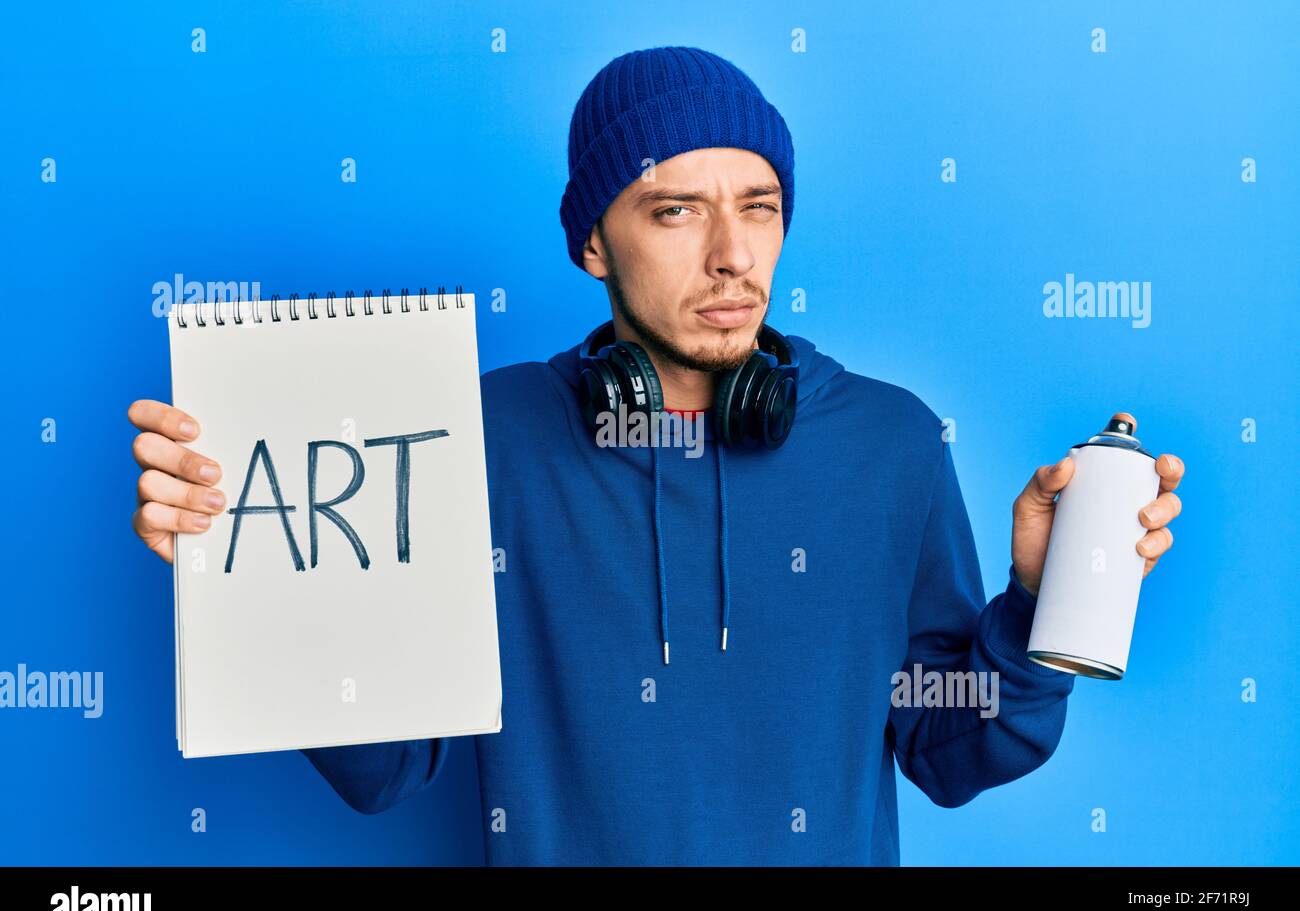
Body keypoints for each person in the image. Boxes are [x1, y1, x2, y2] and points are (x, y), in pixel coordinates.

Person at [128, 45, 1184, 865]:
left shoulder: (891, 443)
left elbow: (950, 755)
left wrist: (1040, 615)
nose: (732, 255)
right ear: (592, 240)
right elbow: (386, 769)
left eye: (758, 207)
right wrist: (251, 574)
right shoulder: (477, 437)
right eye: (675, 210)